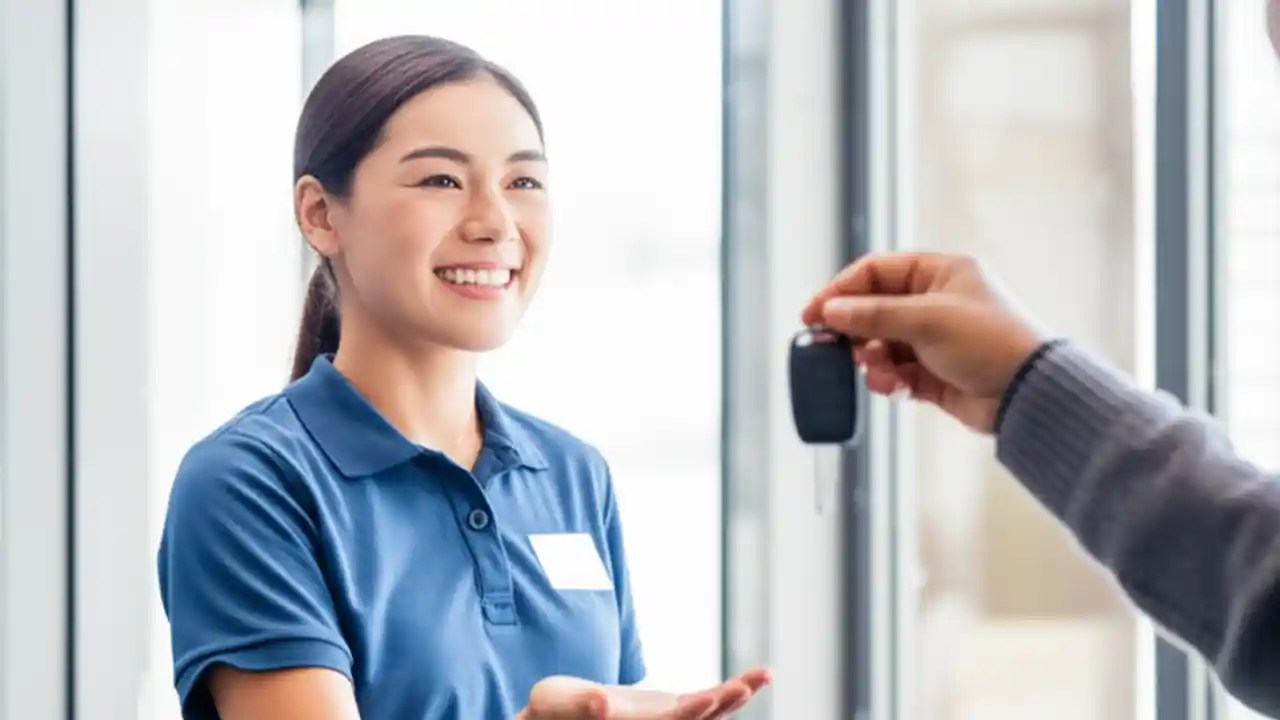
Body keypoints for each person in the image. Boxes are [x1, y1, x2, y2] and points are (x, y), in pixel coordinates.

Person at [156, 35, 768, 720]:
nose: (494, 222)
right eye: (441, 181)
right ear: (321, 214)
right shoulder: (247, 482)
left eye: (522, 183)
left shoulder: (571, 474)